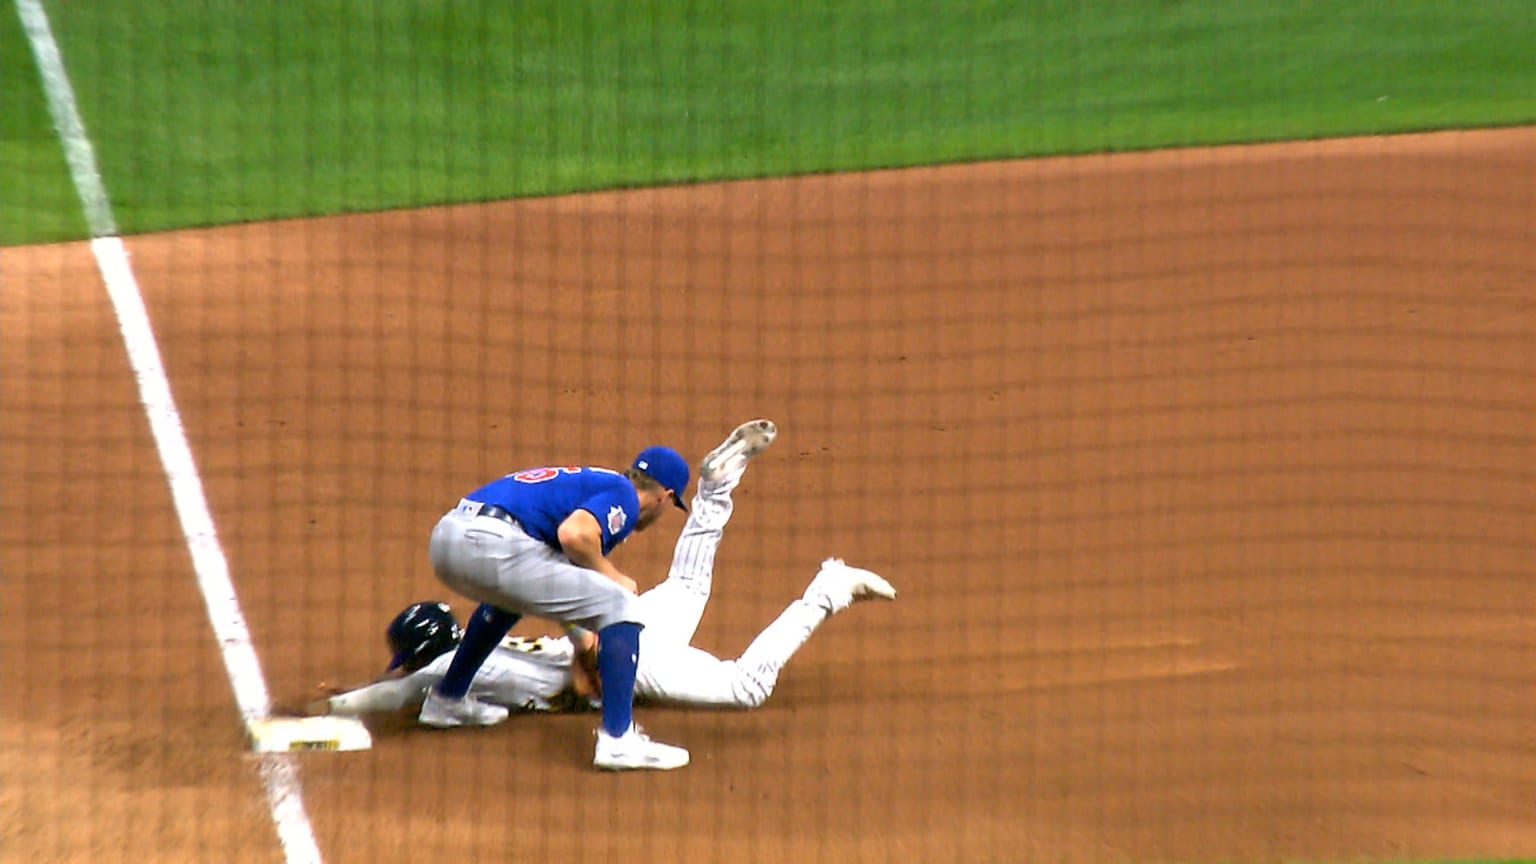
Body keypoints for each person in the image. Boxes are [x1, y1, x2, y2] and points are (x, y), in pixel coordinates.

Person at [309, 420, 897, 730]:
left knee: (745, 688)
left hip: (626, 658)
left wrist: (335, 706)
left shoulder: (446, 667)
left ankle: (828, 590)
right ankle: (718, 488)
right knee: (688, 585)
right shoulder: (488, 630)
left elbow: (391, 693)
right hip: (618, 635)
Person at [419, 434, 695, 770]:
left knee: (510, 600)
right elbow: (574, 535)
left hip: (450, 539)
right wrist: (613, 576)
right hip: (491, 542)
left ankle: (447, 699)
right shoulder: (624, 495)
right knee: (621, 602)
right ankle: (618, 741)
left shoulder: (594, 483)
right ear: (665, 497)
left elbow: (558, 581)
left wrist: (583, 642)